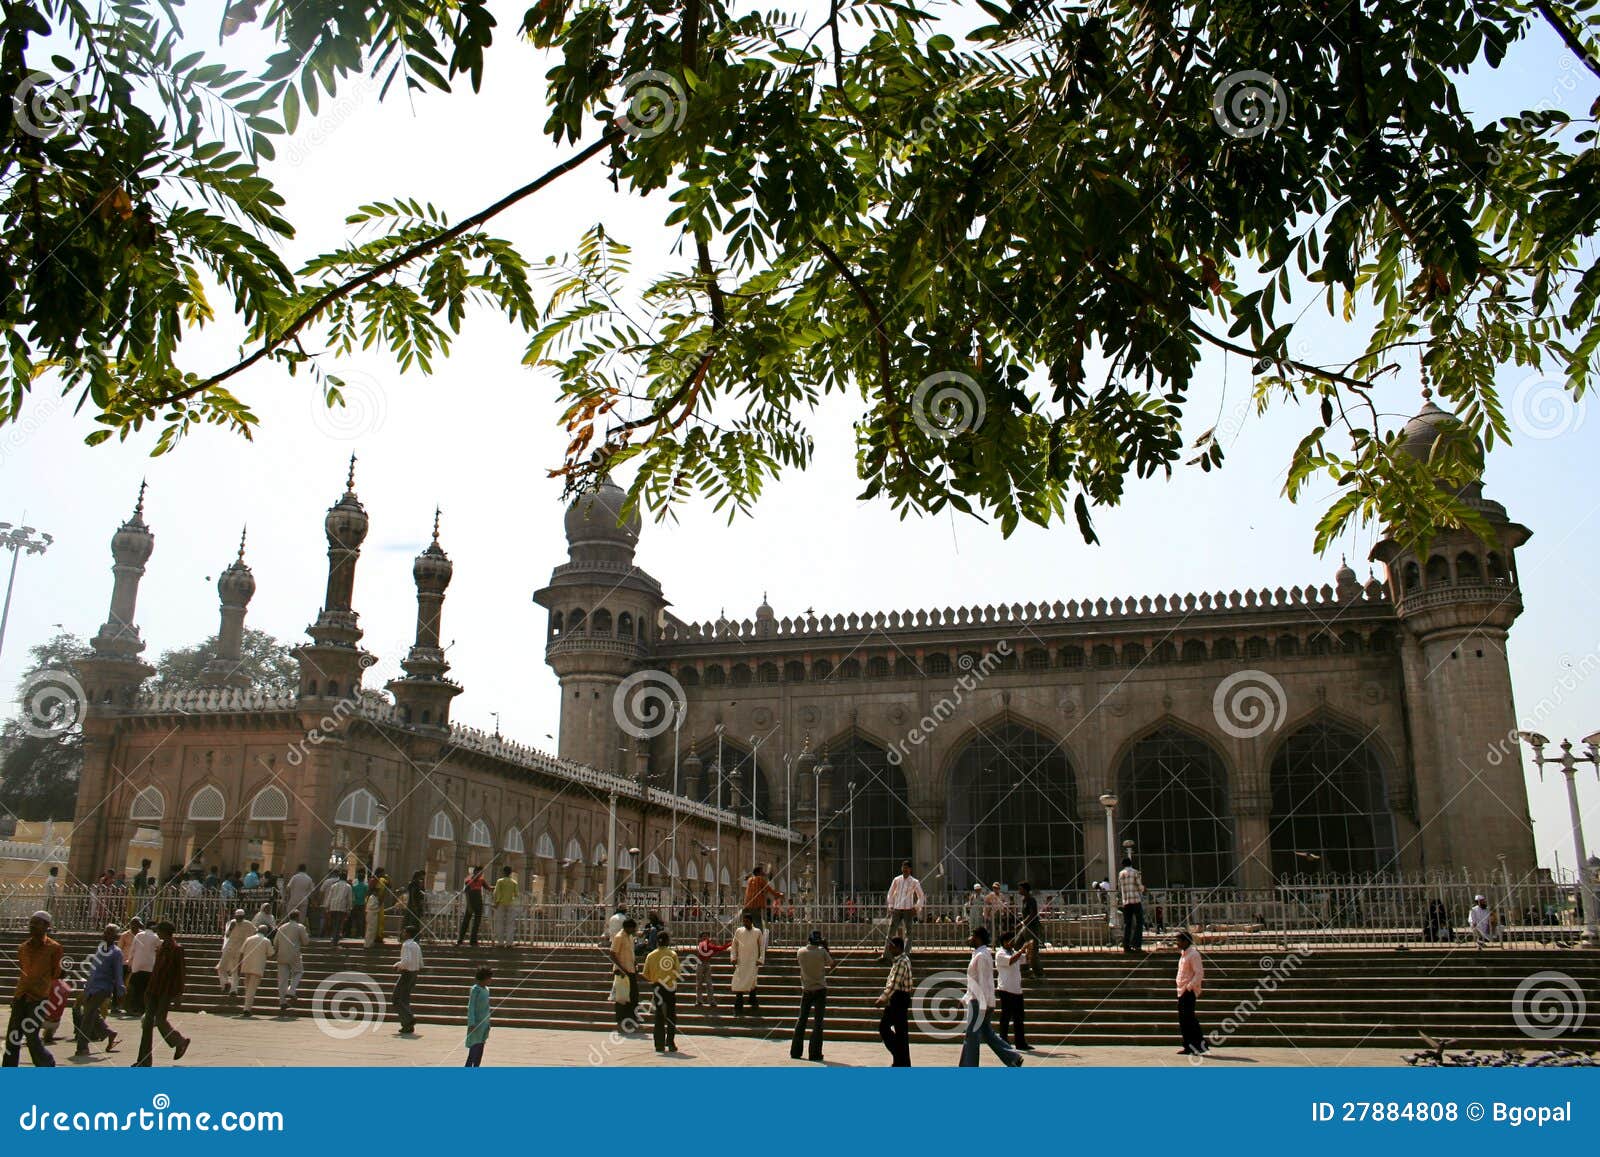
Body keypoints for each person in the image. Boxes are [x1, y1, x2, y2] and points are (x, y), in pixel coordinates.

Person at [4, 911, 63, 1067]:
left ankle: (46, 1063)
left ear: (46, 926)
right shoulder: (22, 948)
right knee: (12, 1037)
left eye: (37, 923)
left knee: (31, 1036)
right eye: (31, 922)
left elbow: (56, 972)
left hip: (39, 998)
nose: (32, 926)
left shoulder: (54, 948)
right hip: (21, 995)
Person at [958, 927, 1023, 1068]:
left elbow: (983, 981)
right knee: (987, 1034)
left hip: (979, 1002)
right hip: (981, 999)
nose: (970, 939)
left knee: (971, 1035)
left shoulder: (981, 956)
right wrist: (964, 998)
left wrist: (983, 1003)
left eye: (972, 936)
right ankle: (1013, 1057)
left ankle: (968, 1066)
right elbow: (974, 982)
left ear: (978, 938)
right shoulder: (979, 954)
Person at [134, 921, 191, 1067]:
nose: (157, 933)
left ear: (165, 932)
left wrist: (178, 994)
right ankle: (144, 1060)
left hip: (166, 990)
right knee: (147, 1024)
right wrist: (148, 990)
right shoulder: (160, 947)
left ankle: (179, 1041)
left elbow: (180, 974)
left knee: (160, 1020)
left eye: (159, 931)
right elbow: (156, 972)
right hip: (154, 989)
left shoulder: (176, 949)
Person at [72, 924, 124, 1057]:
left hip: (103, 987)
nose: (106, 935)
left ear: (116, 936)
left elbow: (118, 973)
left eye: (110, 933)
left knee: (87, 1016)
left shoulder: (116, 952)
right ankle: (109, 1033)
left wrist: (120, 990)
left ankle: (82, 1047)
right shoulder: (100, 949)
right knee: (92, 1012)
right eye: (106, 932)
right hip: (91, 987)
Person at [790, 930, 834, 1062]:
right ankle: (815, 1053)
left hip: (807, 989)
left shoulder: (800, 951)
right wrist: (826, 949)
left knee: (801, 1020)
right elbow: (832, 964)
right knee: (818, 1022)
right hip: (820, 989)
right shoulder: (821, 952)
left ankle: (796, 1051)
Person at [875, 935, 913, 1066]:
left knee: (884, 1027)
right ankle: (902, 1062)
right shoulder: (900, 960)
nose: (889, 948)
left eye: (891, 945)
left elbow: (894, 984)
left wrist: (883, 998)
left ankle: (900, 1057)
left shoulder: (901, 962)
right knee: (901, 1033)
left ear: (898, 947)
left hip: (899, 999)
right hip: (899, 998)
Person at [642, 930, 682, 1053]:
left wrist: (655, 979)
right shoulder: (672, 954)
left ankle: (659, 1044)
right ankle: (670, 1042)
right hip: (669, 988)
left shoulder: (651, 955)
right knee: (671, 1015)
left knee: (659, 1015)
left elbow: (645, 974)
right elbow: (678, 972)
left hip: (657, 987)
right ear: (667, 941)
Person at [995, 933, 1031, 1051]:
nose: (1011, 942)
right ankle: (1003, 1040)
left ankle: (1020, 1042)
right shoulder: (1000, 953)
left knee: (1019, 1017)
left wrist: (1030, 950)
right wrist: (1022, 950)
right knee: (1006, 1016)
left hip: (1016, 989)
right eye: (1009, 940)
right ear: (1004, 942)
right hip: (1006, 989)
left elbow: (1025, 960)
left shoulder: (1013, 951)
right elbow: (1011, 961)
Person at [1175, 929, 1207, 1055]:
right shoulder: (1183, 954)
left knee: (1189, 1019)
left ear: (1185, 941)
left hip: (1188, 991)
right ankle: (1189, 1045)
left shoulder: (1193, 955)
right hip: (1181, 990)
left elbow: (1199, 973)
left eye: (1178, 940)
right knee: (1184, 1020)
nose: (1177, 943)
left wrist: (1189, 987)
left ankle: (1198, 1045)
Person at [884, 861, 925, 958]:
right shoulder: (897, 880)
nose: (905, 870)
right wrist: (891, 905)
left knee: (908, 933)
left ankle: (905, 955)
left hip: (908, 910)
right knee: (890, 932)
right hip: (897, 909)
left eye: (907, 868)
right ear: (901, 868)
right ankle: (886, 955)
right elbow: (890, 893)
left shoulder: (914, 882)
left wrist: (916, 908)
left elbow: (921, 896)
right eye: (903, 867)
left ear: (910, 869)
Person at [606, 917, 641, 1030]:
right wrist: (621, 969)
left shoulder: (630, 937)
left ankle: (631, 1019)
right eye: (633, 928)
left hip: (630, 970)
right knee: (622, 998)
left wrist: (635, 964)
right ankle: (621, 1020)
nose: (635, 930)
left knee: (633, 996)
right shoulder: (619, 937)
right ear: (628, 927)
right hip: (622, 972)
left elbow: (631, 952)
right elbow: (612, 954)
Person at [273, 909, 310, 1012]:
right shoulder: (300, 927)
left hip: (282, 955)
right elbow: (306, 942)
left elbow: (275, 943)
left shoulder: (281, 928)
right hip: (294, 954)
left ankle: (282, 1002)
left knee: (282, 980)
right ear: (298, 917)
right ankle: (291, 989)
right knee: (298, 972)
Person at [729, 911, 764, 1018]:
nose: (745, 923)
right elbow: (734, 945)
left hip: (753, 961)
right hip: (741, 961)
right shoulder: (739, 931)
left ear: (751, 922)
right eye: (744, 921)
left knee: (752, 981)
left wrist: (761, 959)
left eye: (747, 921)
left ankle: (752, 1000)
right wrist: (733, 958)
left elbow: (761, 947)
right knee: (739, 981)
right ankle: (738, 1006)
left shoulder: (757, 932)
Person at [123, 917, 159, 1017]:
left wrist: (130, 962)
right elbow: (159, 948)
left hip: (137, 965)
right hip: (149, 966)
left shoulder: (138, 935)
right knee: (145, 989)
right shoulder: (155, 937)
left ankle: (132, 1007)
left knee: (135, 988)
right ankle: (142, 1008)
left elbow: (132, 950)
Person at [237, 923, 274, 1016]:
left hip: (246, 966)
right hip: (257, 968)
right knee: (251, 989)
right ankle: (247, 1009)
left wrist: (239, 965)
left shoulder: (249, 939)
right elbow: (271, 954)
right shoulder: (266, 941)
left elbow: (241, 952)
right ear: (266, 932)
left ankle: (246, 1006)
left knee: (248, 988)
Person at [217, 908, 252, 998]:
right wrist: (231, 928)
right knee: (221, 968)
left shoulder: (248, 924)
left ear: (243, 917)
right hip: (229, 948)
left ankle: (234, 989)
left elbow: (253, 933)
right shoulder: (231, 922)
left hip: (239, 949)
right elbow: (227, 935)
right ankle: (226, 983)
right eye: (237, 917)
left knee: (236, 970)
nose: (238, 919)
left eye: (240, 917)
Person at [693, 928, 731, 1010]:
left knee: (709, 983)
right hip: (700, 964)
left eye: (706, 936)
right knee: (699, 983)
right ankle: (699, 1000)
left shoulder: (709, 945)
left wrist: (729, 944)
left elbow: (720, 948)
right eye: (703, 936)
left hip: (706, 964)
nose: (705, 938)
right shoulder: (702, 945)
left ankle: (711, 1001)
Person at [394, 927, 423, 1034]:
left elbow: (406, 960)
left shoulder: (406, 945)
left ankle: (409, 1018)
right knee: (405, 998)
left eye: (404, 932)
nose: (403, 933)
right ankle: (407, 1025)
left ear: (408, 934)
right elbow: (420, 962)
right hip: (414, 973)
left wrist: (399, 966)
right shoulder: (416, 945)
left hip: (407, 973)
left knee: (396, 998)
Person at [464, 966, 492, 1066]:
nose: (490, 980)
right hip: (475, 1024)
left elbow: (487, 1007)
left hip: (484, 1024)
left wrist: (488, 1022)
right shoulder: (475, 990)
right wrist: (471, 1023)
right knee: (474, 1048)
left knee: (480, 1047)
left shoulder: (487, 989)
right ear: (483, 978)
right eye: (489, 978)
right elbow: (471, 1007)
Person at [1118, 856, 1146, 952]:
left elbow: (1120, 888)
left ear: (1123, 865)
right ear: (1131, 863)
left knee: (1127, 924)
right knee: (1139, 922)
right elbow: (1139, 886)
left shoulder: (1121, 874)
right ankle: (1136, 944)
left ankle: (1126, 945)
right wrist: (1144, 888)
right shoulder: (1135, 872)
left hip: (1126, 901)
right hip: (1136, 900)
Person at [741, 864, 782, 928]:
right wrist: (779, 895)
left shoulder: (750, 880)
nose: (763, 872)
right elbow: (769, 889)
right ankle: (758, 937)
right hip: (755, 906)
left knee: (748, 927)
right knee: (758, 928)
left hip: (747, 906)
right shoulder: (760, 879)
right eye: (762, 871)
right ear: (758, 872)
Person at [1016, 881, 1042, 977]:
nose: (1019, 890)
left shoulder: (1031, 900)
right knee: (1016, 945)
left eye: (1020, 889)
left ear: (1025, 890)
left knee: (1033, 952)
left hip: (1032, 928)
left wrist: (1023, 922)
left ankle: (1038, 973)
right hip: (1025, 928)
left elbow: (1033, 914)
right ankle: (1023, 968)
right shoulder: (1024, 900)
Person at [457, 865, 487, 946]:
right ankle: (460, 939)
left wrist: (497, 887)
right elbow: (466, 893)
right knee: (466, 922)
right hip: (471, 903)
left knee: (476, 923)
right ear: (475, 872)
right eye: (479, 872)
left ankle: (473, 940)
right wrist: (469, 906)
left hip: (479, 903)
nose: (481, 874)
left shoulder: (482, 880)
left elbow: (488, 888)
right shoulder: (468, 881)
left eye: (482, 872)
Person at [491, 865, 519, 946]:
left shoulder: (500, 881)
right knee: (510, 923)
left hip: (500, 904)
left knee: (499, 923)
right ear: (510, 873)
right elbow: (516, 894)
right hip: (511, 904)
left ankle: (500, 942)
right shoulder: (514, 882)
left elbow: (497, 893)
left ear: (503, 872)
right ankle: (509, 942)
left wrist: (496, 902)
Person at [322, 872, 353, 943]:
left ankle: (334, 937)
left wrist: (327, 906)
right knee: (339, 923)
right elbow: (349, 899)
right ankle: (335, 939)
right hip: (342, 907)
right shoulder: (348, 886)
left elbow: (329, 896)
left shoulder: (334, 885)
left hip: (333, 907)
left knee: (334, 923)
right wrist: (349, 908)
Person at [365, 868, 390, 948]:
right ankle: (368, 944)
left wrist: (388, 878)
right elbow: (369, 891)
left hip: (378, 904)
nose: (384, 874)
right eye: (382, 873)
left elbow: (389, 885)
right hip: (373, 904)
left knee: (377, 923)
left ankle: (376, 938)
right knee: (371, 926)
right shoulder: (374, 880)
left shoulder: (382, 880)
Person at [402, 870, 427, 941]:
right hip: (413, 905)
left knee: (415, 922)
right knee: (412, 921)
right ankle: (411, 937)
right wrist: (414, 905)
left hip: (416, 905)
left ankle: (415, 937)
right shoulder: (414, 884)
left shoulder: (418, 883)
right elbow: (413, 895)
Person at [349, 868, 369, 943]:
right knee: (361, 919)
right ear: (364, 879)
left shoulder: (355, 886)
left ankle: (352, 933)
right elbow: (367, 894)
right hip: (362, 904)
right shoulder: (366, 886)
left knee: (354, 919)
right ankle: (360, 934)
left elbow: (352, 894)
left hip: (355, 904)